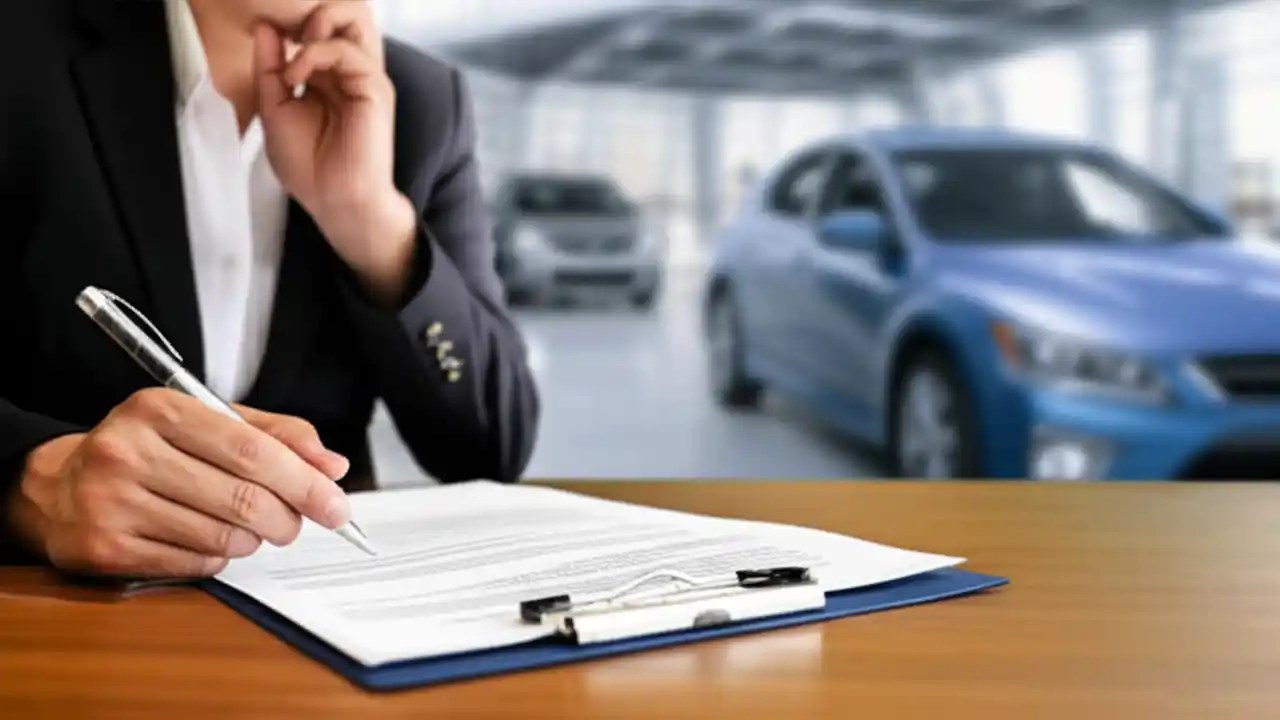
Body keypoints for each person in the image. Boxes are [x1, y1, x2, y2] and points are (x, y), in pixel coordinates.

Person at [0, 0, 539, 577]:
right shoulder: (20, 50)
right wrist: (30, 482)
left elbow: (489, 445)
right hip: (62, 607)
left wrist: (370, 220)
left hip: (328, 597)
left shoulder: (416, 98)